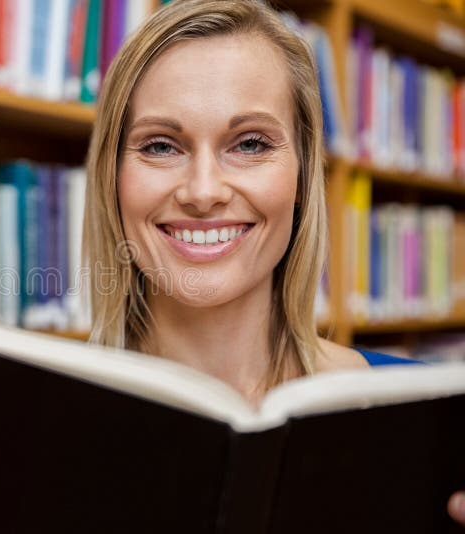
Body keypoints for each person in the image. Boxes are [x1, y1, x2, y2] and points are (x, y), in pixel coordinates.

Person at [80, 0, 465, 527]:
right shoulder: (22, 423)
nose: (203, 192)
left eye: (251, 143)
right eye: (162, 146)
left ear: (304, 178)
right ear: (112, 177)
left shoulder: (435, 423)